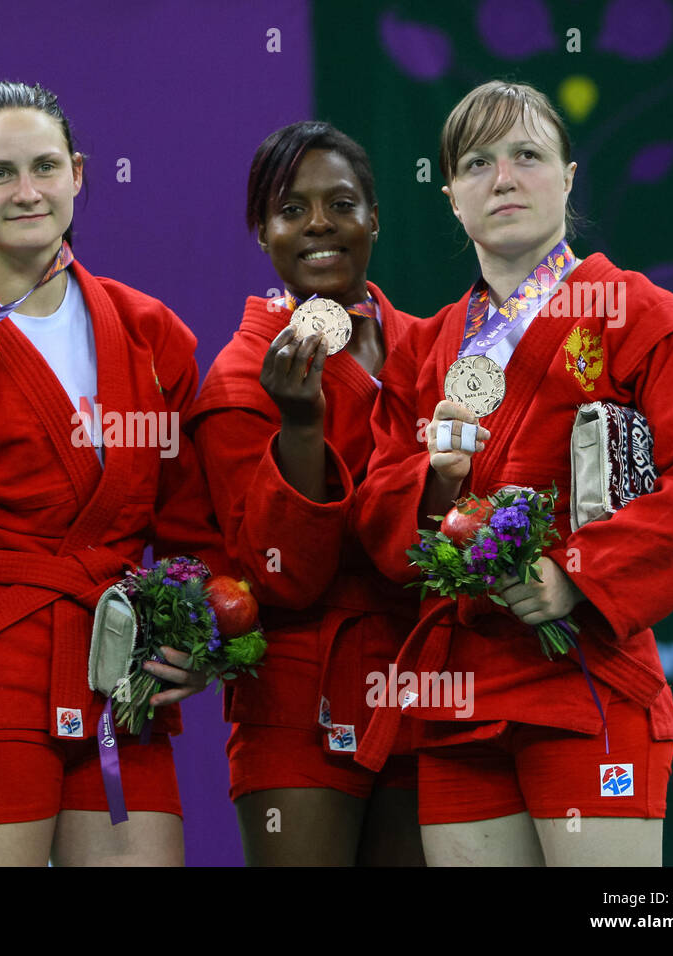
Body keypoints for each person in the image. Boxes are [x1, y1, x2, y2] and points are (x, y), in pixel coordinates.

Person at [353, 80, 673, 865]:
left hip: (586, 678)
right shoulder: (423, 350)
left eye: (527, 156)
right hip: (459, 696)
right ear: (451, 198)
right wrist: (434, 484)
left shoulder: (646, 319)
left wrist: (573, 573)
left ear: (570, 178)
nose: (503, 178)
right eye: (477, 163)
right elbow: (375, 518)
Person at [0, 80, 218, 866]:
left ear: (79, 174)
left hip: (120, 670)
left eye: (46, 167)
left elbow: (193, 522)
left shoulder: (153, 334)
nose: (28, 192)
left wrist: (196, 636)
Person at [186, 122, 424, 866]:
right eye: (292, 209)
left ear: (375, 218)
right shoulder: (237, 378)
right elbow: (281, 578)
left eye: (341, 203)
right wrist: (300, 426)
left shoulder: (436, 347)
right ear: (262, 232)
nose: (319, 223)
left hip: (429, 680)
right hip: (299, 695)